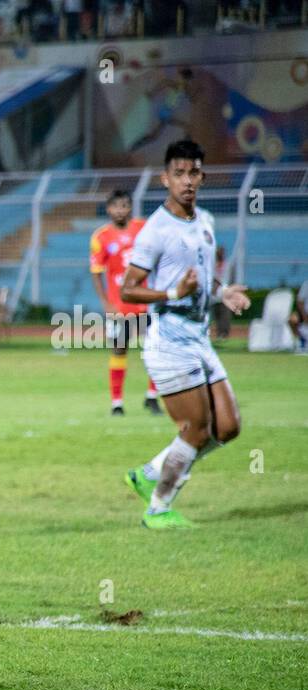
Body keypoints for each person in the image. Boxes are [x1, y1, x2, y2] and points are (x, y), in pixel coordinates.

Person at [121, 139, 252, 530]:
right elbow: (128, 289)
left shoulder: (205, 221)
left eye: (193, 172)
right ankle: (158, 508)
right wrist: (172, 293)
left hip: (199, 339)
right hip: (169, 343)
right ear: (165, 179)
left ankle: (151, 472)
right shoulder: (155, 231)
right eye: (178, 173)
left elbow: (204, 280)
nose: (187, 180)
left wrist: (223, 293)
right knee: (195, 430)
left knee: (227, 427)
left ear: (202, 176)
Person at [90, 189, 160, 415]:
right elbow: (96, 272)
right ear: (108, 209)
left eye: (124, 206)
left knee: (155, 349)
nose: (120, 211)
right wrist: (105, 303)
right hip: (119, 305)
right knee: (119, 349)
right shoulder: (101, 237)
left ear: (130, 208)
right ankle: (117, 403)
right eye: (115, 206)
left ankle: (152, 397)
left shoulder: (144, 229)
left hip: (146, 302)